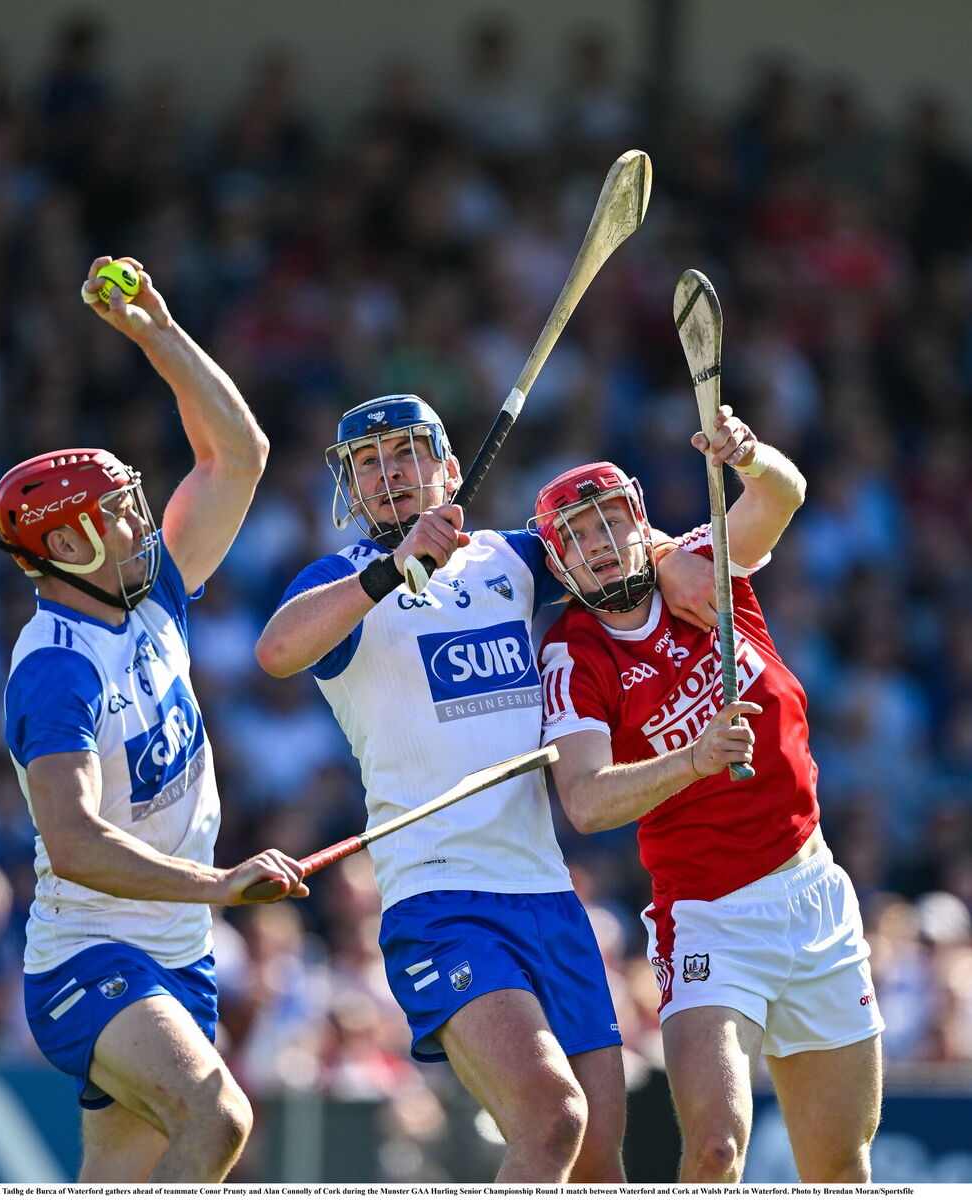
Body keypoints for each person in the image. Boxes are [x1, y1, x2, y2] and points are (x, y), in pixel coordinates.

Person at [254, 394, 713, 1183]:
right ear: (351, 487)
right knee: (550, 1119)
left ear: (448, 469)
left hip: (545, 892)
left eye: (405, 454)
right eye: (368, 462)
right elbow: (276, 650)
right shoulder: (343, 582)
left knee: (601, 1160)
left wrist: (666, 556)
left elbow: (606, 537)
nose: (388, 473)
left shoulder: (508, 559)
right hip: (440, 901)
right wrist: (387, 574)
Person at [0, 256, 307, 1184]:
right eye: (120, 516)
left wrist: (157, 333)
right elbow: (78, 842)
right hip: (92, 962)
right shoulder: (56, 669)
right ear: (69, 545)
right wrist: (218, 887)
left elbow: (238, 457)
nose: (142, 525)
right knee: (218, 1117)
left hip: (179, 957)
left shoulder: (150, 599)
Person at [530, 406, 884, 1183]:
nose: (598, 544)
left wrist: (748, 458)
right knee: (716, 1149)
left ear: (638, 520)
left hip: (814, 889)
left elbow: (783, 497)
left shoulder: (698, 561)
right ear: (561, 567)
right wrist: (692, 759)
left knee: (840, 1166)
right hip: (708, 915)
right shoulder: (572, 655)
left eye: (608, 522)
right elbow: (585, 803)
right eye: (577, 538)